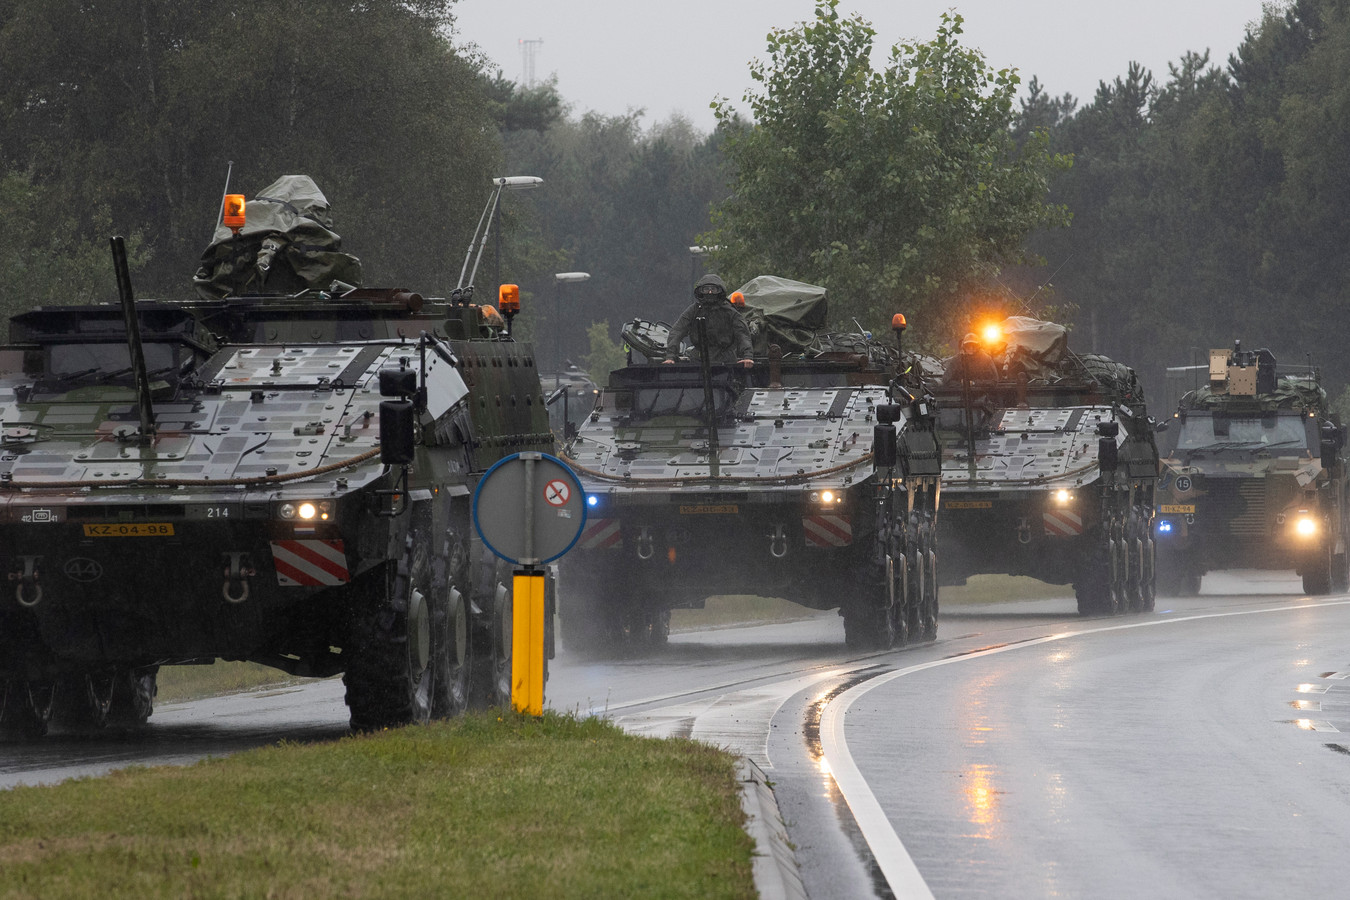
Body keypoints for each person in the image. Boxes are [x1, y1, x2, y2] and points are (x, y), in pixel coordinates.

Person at [663, 274, 753, 367]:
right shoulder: (694, 310)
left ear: (720, 291)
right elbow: (677, 331)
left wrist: (747, 356)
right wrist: (670, 357)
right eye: (706, 289)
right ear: (700, 291)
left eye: (714, 289)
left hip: (726, 360)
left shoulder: (730, 312)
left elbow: (743, 334)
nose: (710, 292)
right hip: (699, 359)